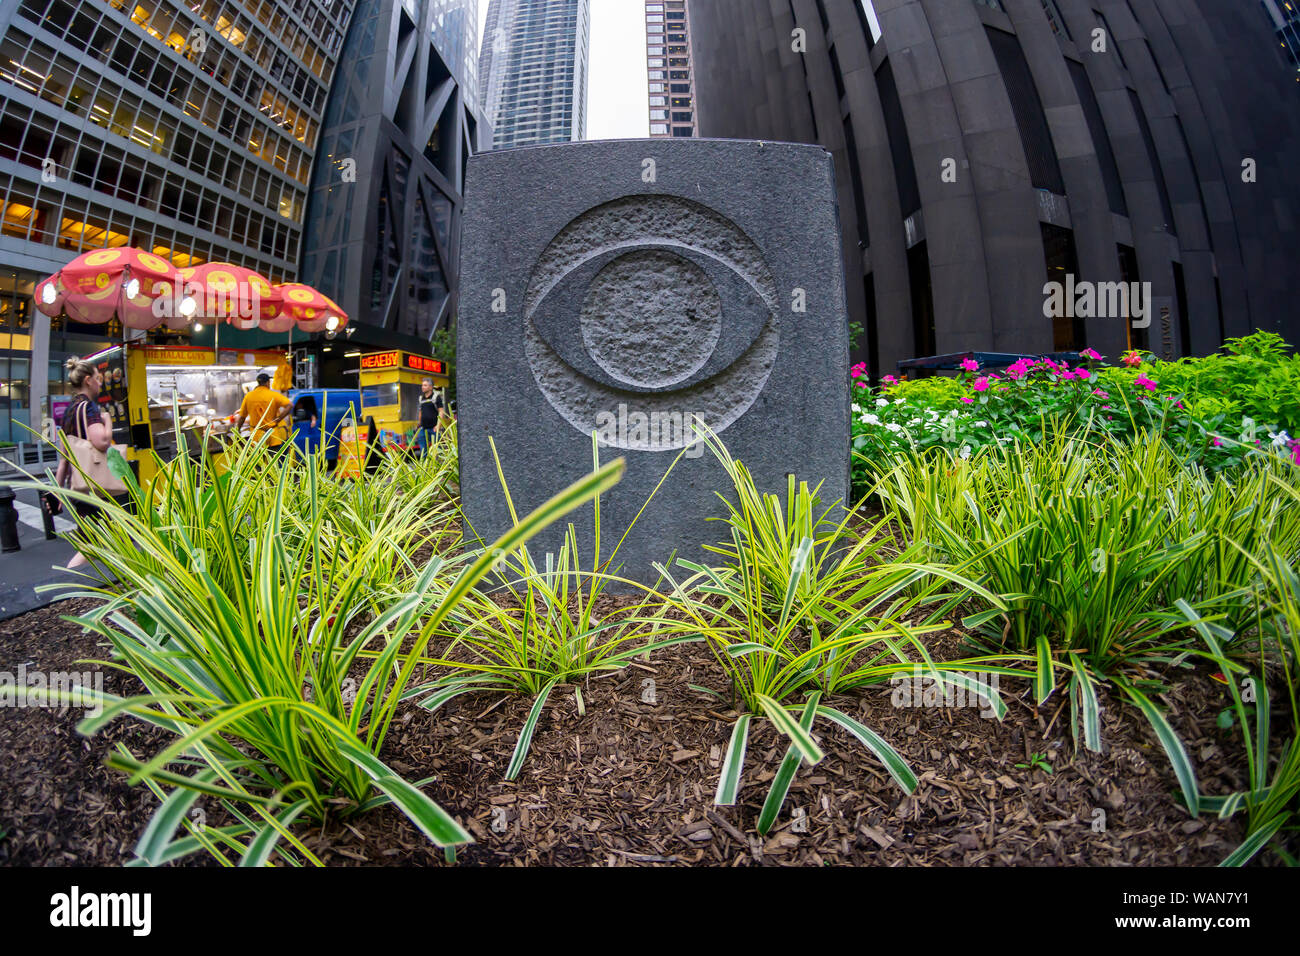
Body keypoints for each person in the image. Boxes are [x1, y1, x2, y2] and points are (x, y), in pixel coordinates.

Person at [52, 356, 124, 571]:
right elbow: (101, 441)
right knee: (93, 543)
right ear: (88, 380)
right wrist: (108, 421)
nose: (100, 383)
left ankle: (115, 592)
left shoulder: (70, 410)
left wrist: (58, 490)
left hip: (82, 486)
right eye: (98, 378)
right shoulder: (90, 409)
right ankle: (67, 581)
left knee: (105, 541)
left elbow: (65, 456)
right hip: (97, 486)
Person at [234, 372, 292, 448]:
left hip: (256, 437)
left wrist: (237, 431)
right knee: (274, 458)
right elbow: (290, 405)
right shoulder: (273, 395)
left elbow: (242, 417)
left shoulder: (249, 396)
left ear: (258, 382)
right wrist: (278, 419)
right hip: (272, 435)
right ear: (268, 383)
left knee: (259, 459)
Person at [415, 378, 444, 457]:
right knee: (423, 452)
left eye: (425, 385)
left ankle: (436, 468)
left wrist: (438, 426)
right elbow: (421, 411)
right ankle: (425, 468)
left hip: (434, 429)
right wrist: (419, 424)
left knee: (436, 452)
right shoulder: (421, 398)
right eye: (422, 385)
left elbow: (441, 411)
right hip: (423, 429)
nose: (422, 387)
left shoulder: (436, 397)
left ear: (431, 387)